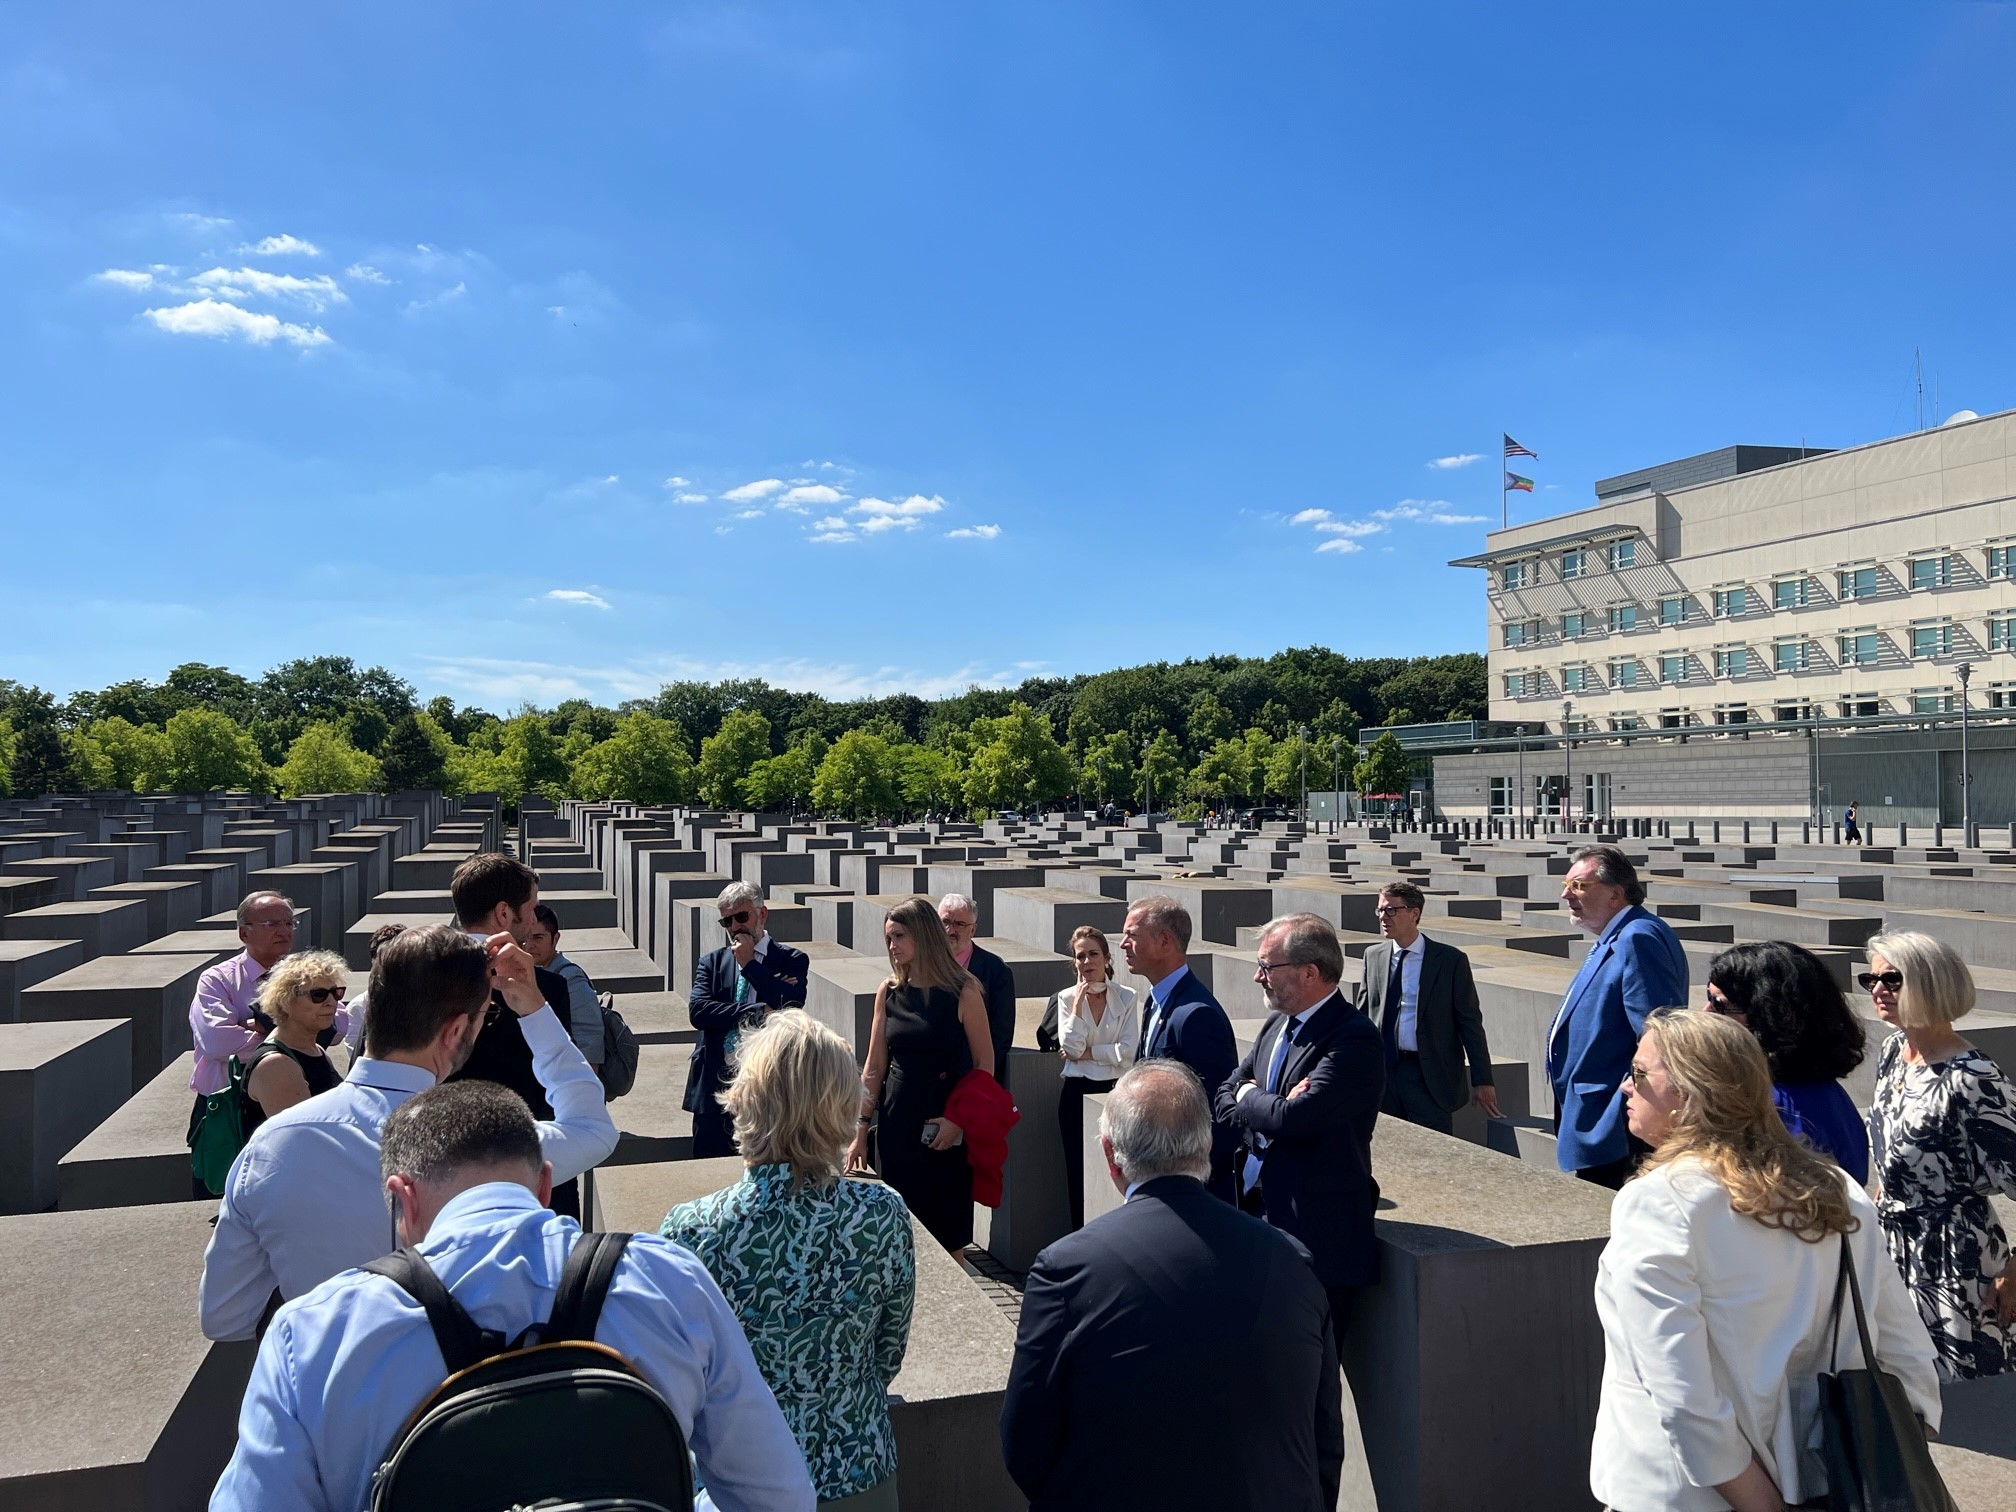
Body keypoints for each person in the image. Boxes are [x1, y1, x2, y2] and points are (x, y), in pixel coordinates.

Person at [210, 1079, 814, 1512]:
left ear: (402, 1196)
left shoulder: (312, 1332)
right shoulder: (668, 1279)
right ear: (546, 1182)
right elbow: (778, 1494)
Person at [1592, 1009, 1940, 1512]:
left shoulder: (1659, 1203)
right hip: (1832, 1482)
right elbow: (1908, 1355)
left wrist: (1765, 1505)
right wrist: (1883, 1469)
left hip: (1688, 1497)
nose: (1626, 1086)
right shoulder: (1837, 1189)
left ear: (1690, 1094)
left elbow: (1683, 1394)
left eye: (1641, 1073)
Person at [199, 924, 617, 1341]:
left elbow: (224, 1316)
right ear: (455, 1031)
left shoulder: (271, 1142)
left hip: (325, 1390)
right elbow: (592, 1128)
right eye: (486, 1015)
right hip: (456, 1395)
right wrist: (534, 1008)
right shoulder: (489, 1138)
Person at [1000, 1061, 1344, 1511]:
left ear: (1110, 1155)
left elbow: (1026, 1448)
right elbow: (1323, 1443)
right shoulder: (1293, 1261)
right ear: (1204, 1145)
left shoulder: (1064, 1270)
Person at [662, 1012, 914, 1510]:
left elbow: (681, 1379)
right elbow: (887, 1354)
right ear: (841, 1106)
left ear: (745, 1099)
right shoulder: (883, 1214)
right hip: (858, 1467)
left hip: (738, 1483)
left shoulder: (691, 1230)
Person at [1217, 912, 1384, 1346]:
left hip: (1315, 1238)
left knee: (1311, 1378)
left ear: (1310, 972)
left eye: (1268, 967)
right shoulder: (1277, 1024)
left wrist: (1252, 1098)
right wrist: (1265, 1105)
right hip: (1257, 1215)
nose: (1257, 977)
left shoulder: (1353, 1038)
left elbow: (1297, 1118)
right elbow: (1223, 1096)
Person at [1863, 929, 2016, 1380]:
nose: (1877, 990)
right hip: (1893, 1247)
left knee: (1944, 1390)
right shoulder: (1893, 1052)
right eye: (1869, 980)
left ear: (1929, 984)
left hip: (1953, 1257)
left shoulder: (1975, 1078)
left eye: (1891, 980)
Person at [846, 897, 994, 1253]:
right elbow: (874, 1066)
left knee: (948, 1238)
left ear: (923, 936)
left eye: (898, 937)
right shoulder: (890, 992)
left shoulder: (965, 990)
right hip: (898, 1126)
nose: (891, 947)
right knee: (899, 1236)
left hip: (945, 1129)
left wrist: (958, 1121)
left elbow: (984, 1065)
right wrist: (860, 1130)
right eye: (889, 939)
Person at [444, 852, 587, 1215]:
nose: (535, 918)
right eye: (532, 908)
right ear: (505, 913)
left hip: (443, 1167)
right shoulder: (548, 988)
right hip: (532, 1171)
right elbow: (560, 1079)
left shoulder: (415, 980)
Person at [188, 892, 352, 1190]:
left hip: (302, 1092)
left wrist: (253, 1024)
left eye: (290, 923)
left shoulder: (305, 973)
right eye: (272, 923)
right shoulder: (217, 979)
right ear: (243, 932)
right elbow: (217, 1041)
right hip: (228, 1111)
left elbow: (338, 1027)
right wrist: (290, 1031)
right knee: (227, 1197)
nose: (284, 930)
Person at [1546, 845, 1688, 1187]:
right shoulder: (1619, 936)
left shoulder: (1637, 938)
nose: (1566, 894)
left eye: (1580, 885)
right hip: (1600, 1115)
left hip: (1617, 1123)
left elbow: (1656, 1036)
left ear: (1616, 894)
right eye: (1567, 884)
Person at [1704, 941, 1869, 1182]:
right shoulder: (1822, 1095)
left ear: (1768, 1015)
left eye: (1720, 1004)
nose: (1705, 1013)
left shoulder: (1782, 1113)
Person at [1120, 895, 1238, 1201]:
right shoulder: (1155, 1001)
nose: (1122, 944)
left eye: (1132, 936)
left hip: (1188, 1191)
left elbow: (1217, 1114)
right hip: (1154, 1176)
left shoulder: (1197, 1015)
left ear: (1165, 942)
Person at [1357, 882, 1500, 1133]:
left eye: (1391, 910)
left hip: (1429, 1076)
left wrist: (1483, 1079)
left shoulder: (1449, 960)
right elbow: (1362, 1016)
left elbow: (1469, 1023)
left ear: (1415, 913)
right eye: (1379, 910)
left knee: (1435, 1152)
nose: (1383, 917)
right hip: (1383, 1074)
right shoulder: (1373, 955)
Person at [686, 882, 812, 1159]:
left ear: (762, 914)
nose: (734, 927)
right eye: (726, 921)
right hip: (715, 1087)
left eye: (741, 917)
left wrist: (749, 965)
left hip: (767, 1090)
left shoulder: (791, 959)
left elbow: (790, 1004)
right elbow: (699, 1011)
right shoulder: (712, 962)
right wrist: (757, 1010)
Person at [1046, 925, 1138, 1227]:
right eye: (1080, 956)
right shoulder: (1065, 998)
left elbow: (1127, 1051)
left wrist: (1087, 1054)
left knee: (1118, 1169)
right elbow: (1070, 1047)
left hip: (1114, 1091)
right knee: (1078, 1172)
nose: (1087, 962)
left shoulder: (1126, 997)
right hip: (1075, 1092)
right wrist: (1077, 1006)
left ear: (1107, 958)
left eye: (1093, 954)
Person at [240, 951, 350, 1135]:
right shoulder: (276, 1065)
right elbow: (305, 1139)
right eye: (319, 995)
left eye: (336, 993)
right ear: (286, 1001)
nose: (332, 1002)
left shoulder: (315, 1050)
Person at [938, 892, 1017, 1086]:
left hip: (969, 1082)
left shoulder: (996, 970)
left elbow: (1000, 1036)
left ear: (973, 930)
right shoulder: (921, 965)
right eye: (945, 922)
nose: (950, 930)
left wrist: (973, 1081)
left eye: (959, 924)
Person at [519, 902, 604, 1070]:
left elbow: (590, 1038)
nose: (529, 946)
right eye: (525, 938)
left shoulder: (571, 979)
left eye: (538, 938)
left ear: (555, 939)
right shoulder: (526, 975)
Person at [344, 922, 407, 1057]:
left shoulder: (426, 1001)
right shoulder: (358, 1007)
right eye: (385, 958)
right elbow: (356, 1056)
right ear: (373, 961)